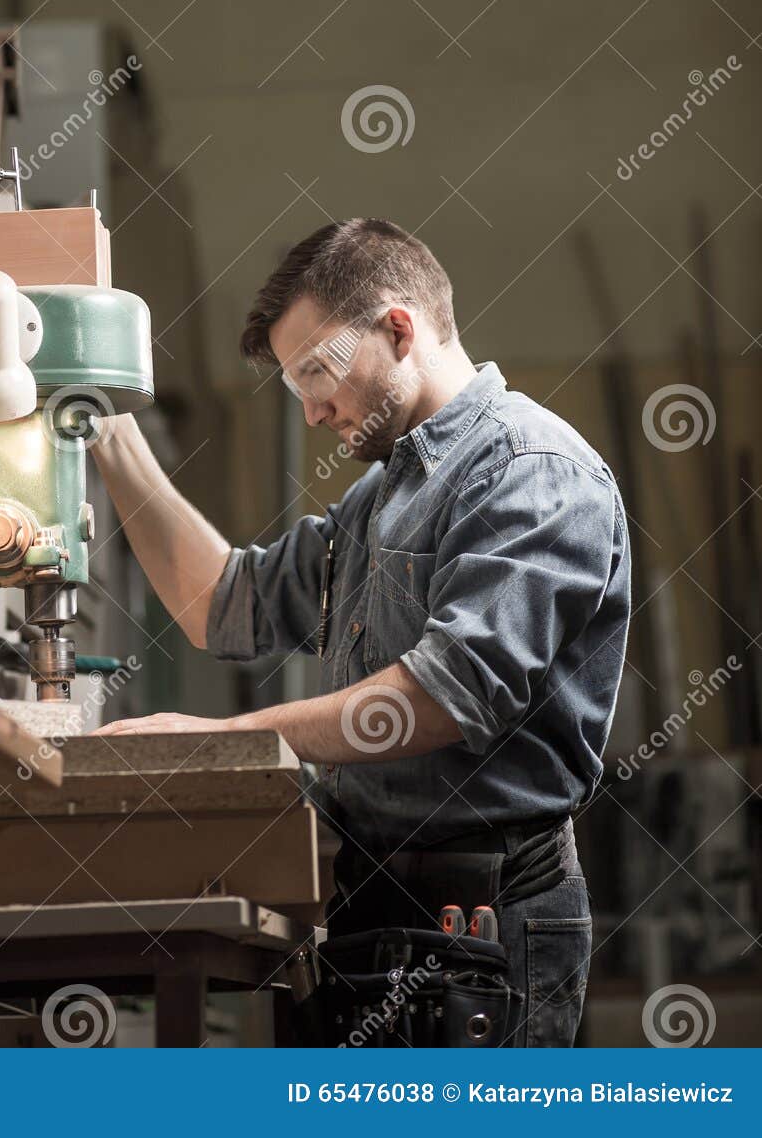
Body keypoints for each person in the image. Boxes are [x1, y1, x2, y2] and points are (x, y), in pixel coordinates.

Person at [92, 217, 630, 1045]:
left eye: (317, 373)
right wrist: (108, 435)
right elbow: (224, 604)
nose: (310, 411)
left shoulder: (530, 472)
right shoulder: (384, 494)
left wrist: (223, 741)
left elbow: (437, 697)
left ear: (398, 329)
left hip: (481, 922)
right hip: (370, 904)